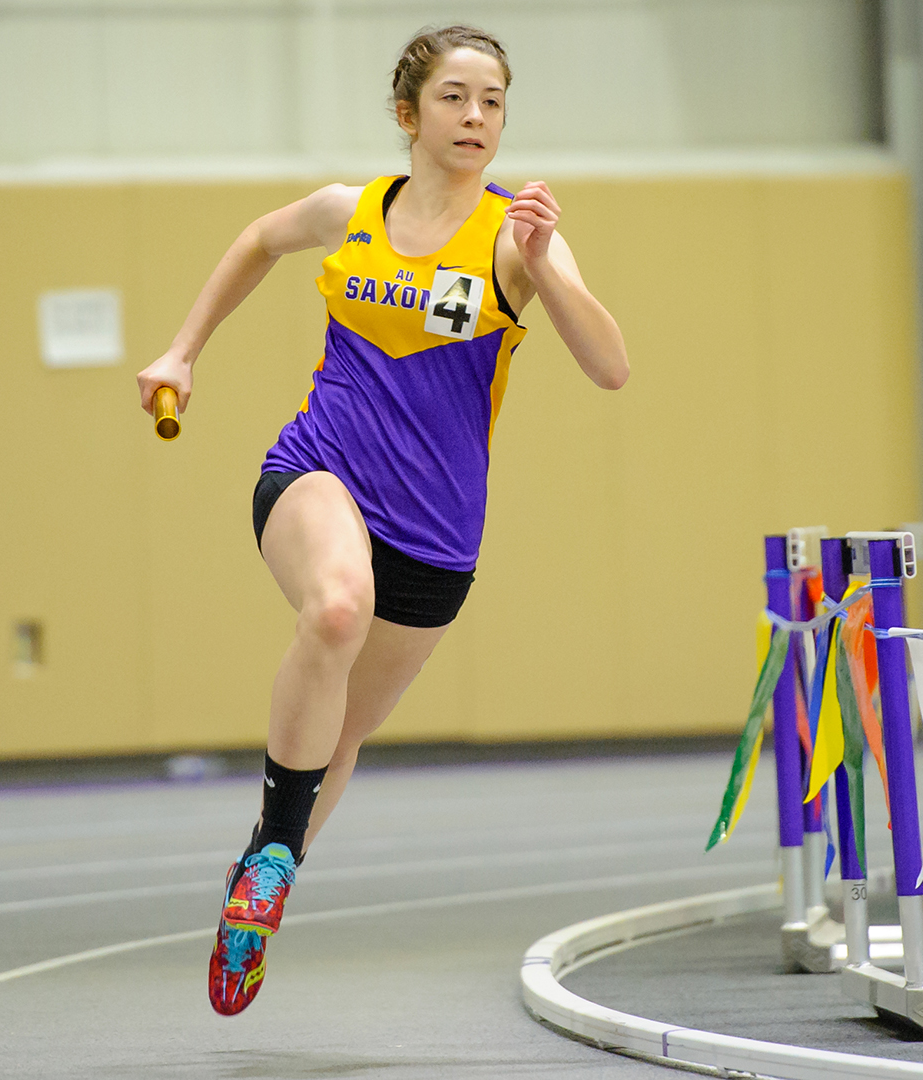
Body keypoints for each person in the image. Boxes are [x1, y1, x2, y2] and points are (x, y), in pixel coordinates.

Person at [135, 25, 629, 1015]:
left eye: (492, 101)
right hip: (320, 468)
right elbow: (259, 239)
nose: (475, 118)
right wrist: (182, 350)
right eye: (454, 97)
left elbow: (610, 364)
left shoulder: (514, 237)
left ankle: (260, 882)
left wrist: (546, 261)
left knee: (345, 729)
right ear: (409, 114)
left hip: (438, 531)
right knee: (333, 610)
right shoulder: (351, 209)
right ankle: (274, 854)